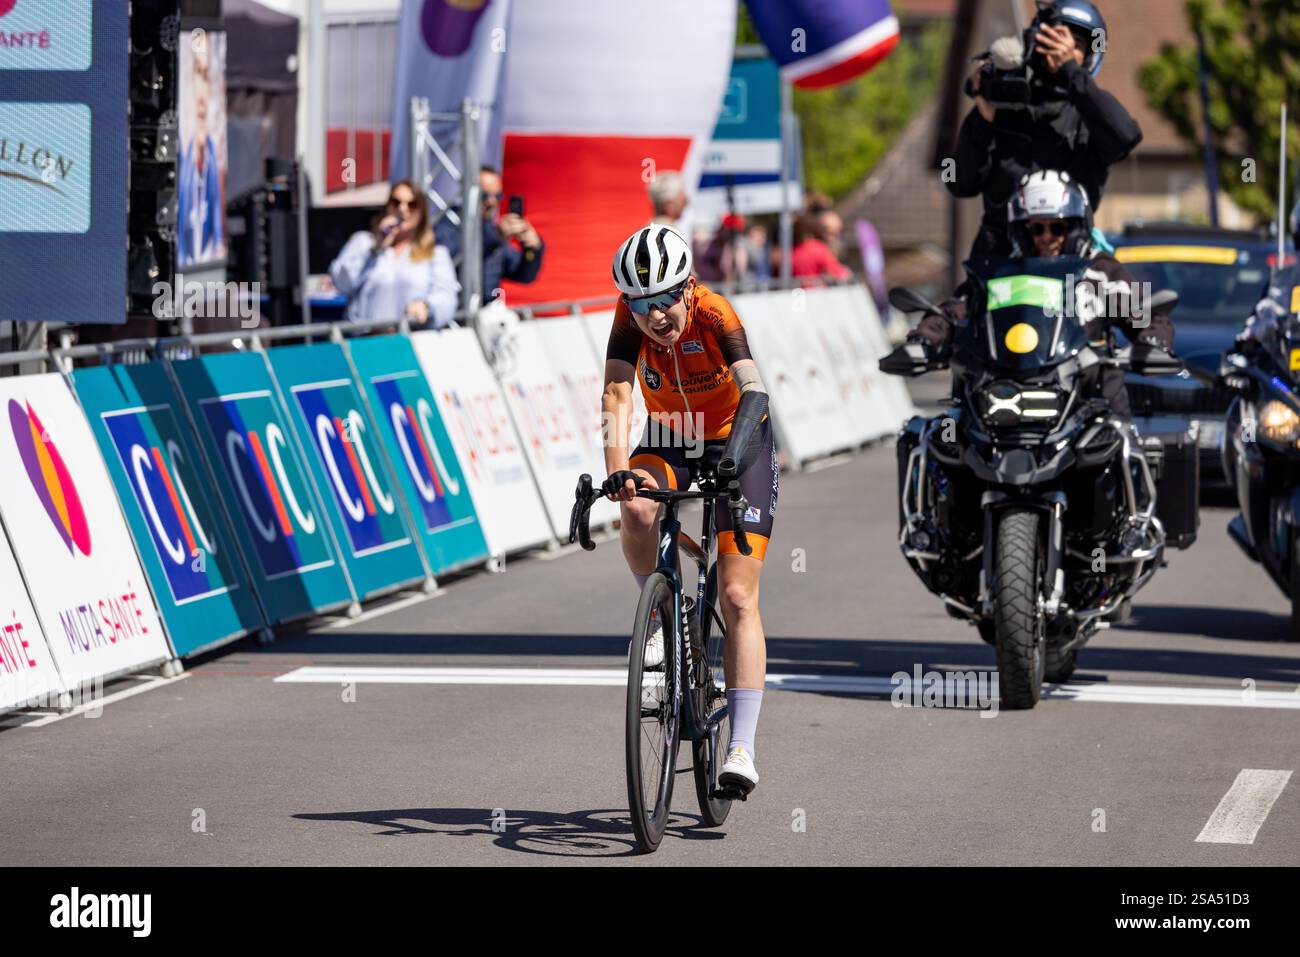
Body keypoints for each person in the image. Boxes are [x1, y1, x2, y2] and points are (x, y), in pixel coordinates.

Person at [601, 223, 775, 797]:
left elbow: (754, 390)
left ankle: (743, 749)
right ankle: (659, 617)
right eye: (641, 303)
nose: (655, 316)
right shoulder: (630, 321)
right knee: (638, 510)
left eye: (665, 300)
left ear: (689, 287)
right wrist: (616, 469)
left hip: (736, 437)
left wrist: (734, 456)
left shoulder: (715, 312)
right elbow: (618, 396)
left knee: (736, 594)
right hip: (672, 435)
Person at [885, 170, 1174, 417]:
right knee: (939, 438)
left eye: (1057, 227)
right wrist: (925, 338)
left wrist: (1153, 343)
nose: (1047, 237)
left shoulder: (1101, 271)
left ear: (1075, 227)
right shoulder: (999, 272)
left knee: (1123, 446)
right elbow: (954, 309)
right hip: (1004, 398)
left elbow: (1146, 313)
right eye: (1036, 228)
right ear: (1021, 230)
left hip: (1090, 403)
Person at [947, 0, 1141, 258]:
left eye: (1075, 46)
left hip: (1073, 264)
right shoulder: (1004, 109)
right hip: (998, 267)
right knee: (953, 302)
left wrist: (1070, 72)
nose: (1060, 51)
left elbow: (1126, 137)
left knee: (1130, 296)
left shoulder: (1090, 116)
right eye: (1052, 40)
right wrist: (982, 117)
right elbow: (955, 181)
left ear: (1090, 57)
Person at [329, 180, 459, 327]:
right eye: (396, 202)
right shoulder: (364, 242)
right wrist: (375, 248)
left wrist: (426, 305)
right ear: (387, 206)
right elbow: (341, 283)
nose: (403, 210)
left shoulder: (435, 254)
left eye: (412, 205)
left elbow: (447, 299)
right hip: (364, 341)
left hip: (409, 340)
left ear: (421, 213)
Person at [434, 166, 545, 303]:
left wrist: (532, 249)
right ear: (468, 192)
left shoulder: (490, 227)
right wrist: (495, 236)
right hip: (456, 317)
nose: (492, 202)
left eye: (497, 196)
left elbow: (524, 275)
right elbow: (455, 257)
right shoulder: (448, 223)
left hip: (486, 314)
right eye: (484, 196)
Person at [177, 38, 224, 266]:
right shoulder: (179, 154)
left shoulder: (215, 156)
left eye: (206, 76)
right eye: (197, 73)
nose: (202, 91)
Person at [790, 213, 851, 284]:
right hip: (815, 292)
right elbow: (840, 273)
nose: (832, 238)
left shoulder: (788, 252)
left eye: (837, 232)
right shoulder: (817, 249)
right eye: (829, 232)